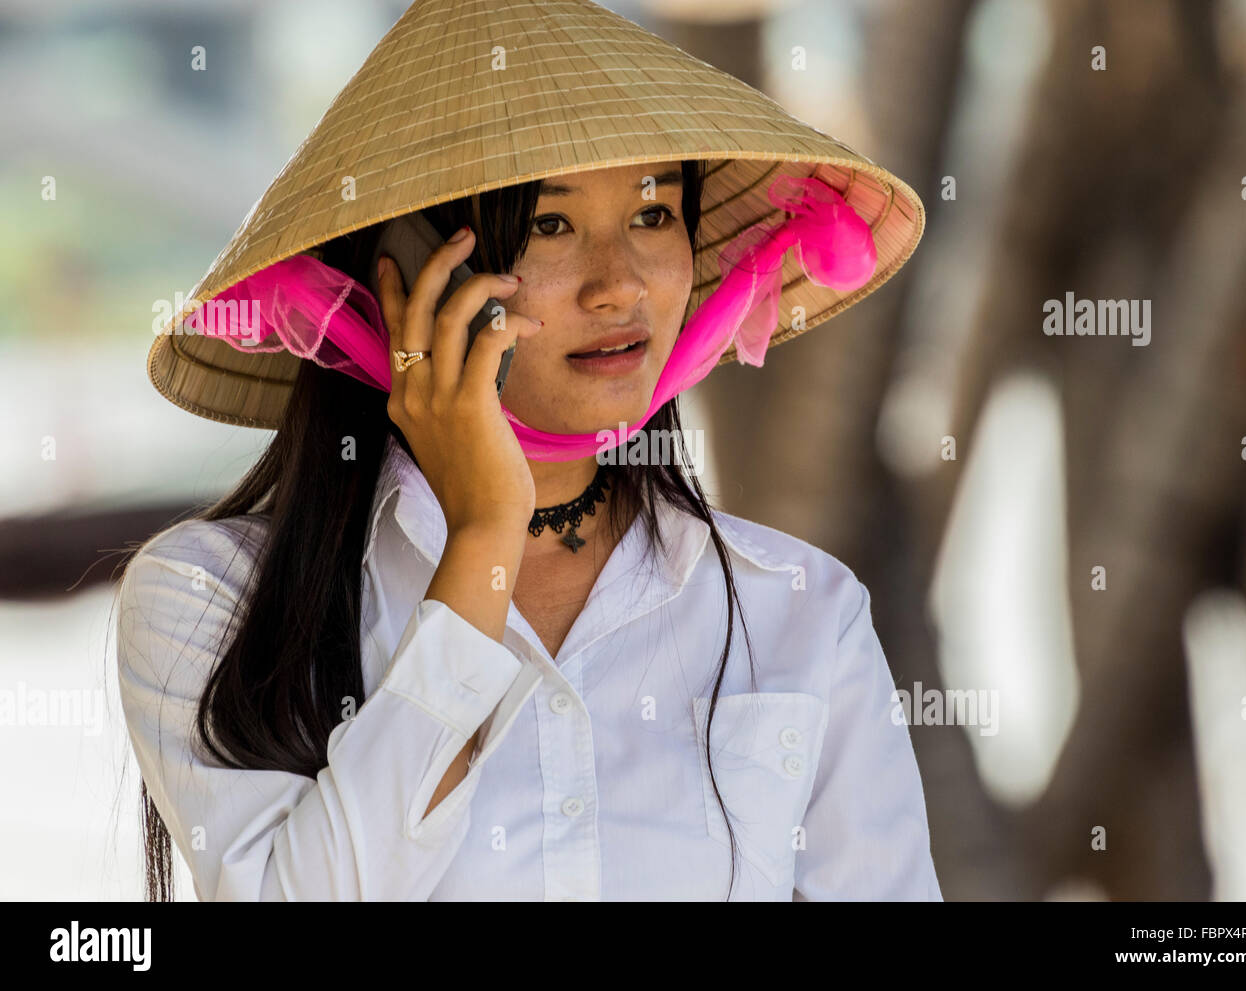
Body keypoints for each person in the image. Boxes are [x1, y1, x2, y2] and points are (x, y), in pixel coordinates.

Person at [116, 0, 941, 902]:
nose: (619, 282)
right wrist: (481, 542)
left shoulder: (803, 612)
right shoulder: (210, 602)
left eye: (655, 211)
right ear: (404, 273)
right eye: (549, 224)